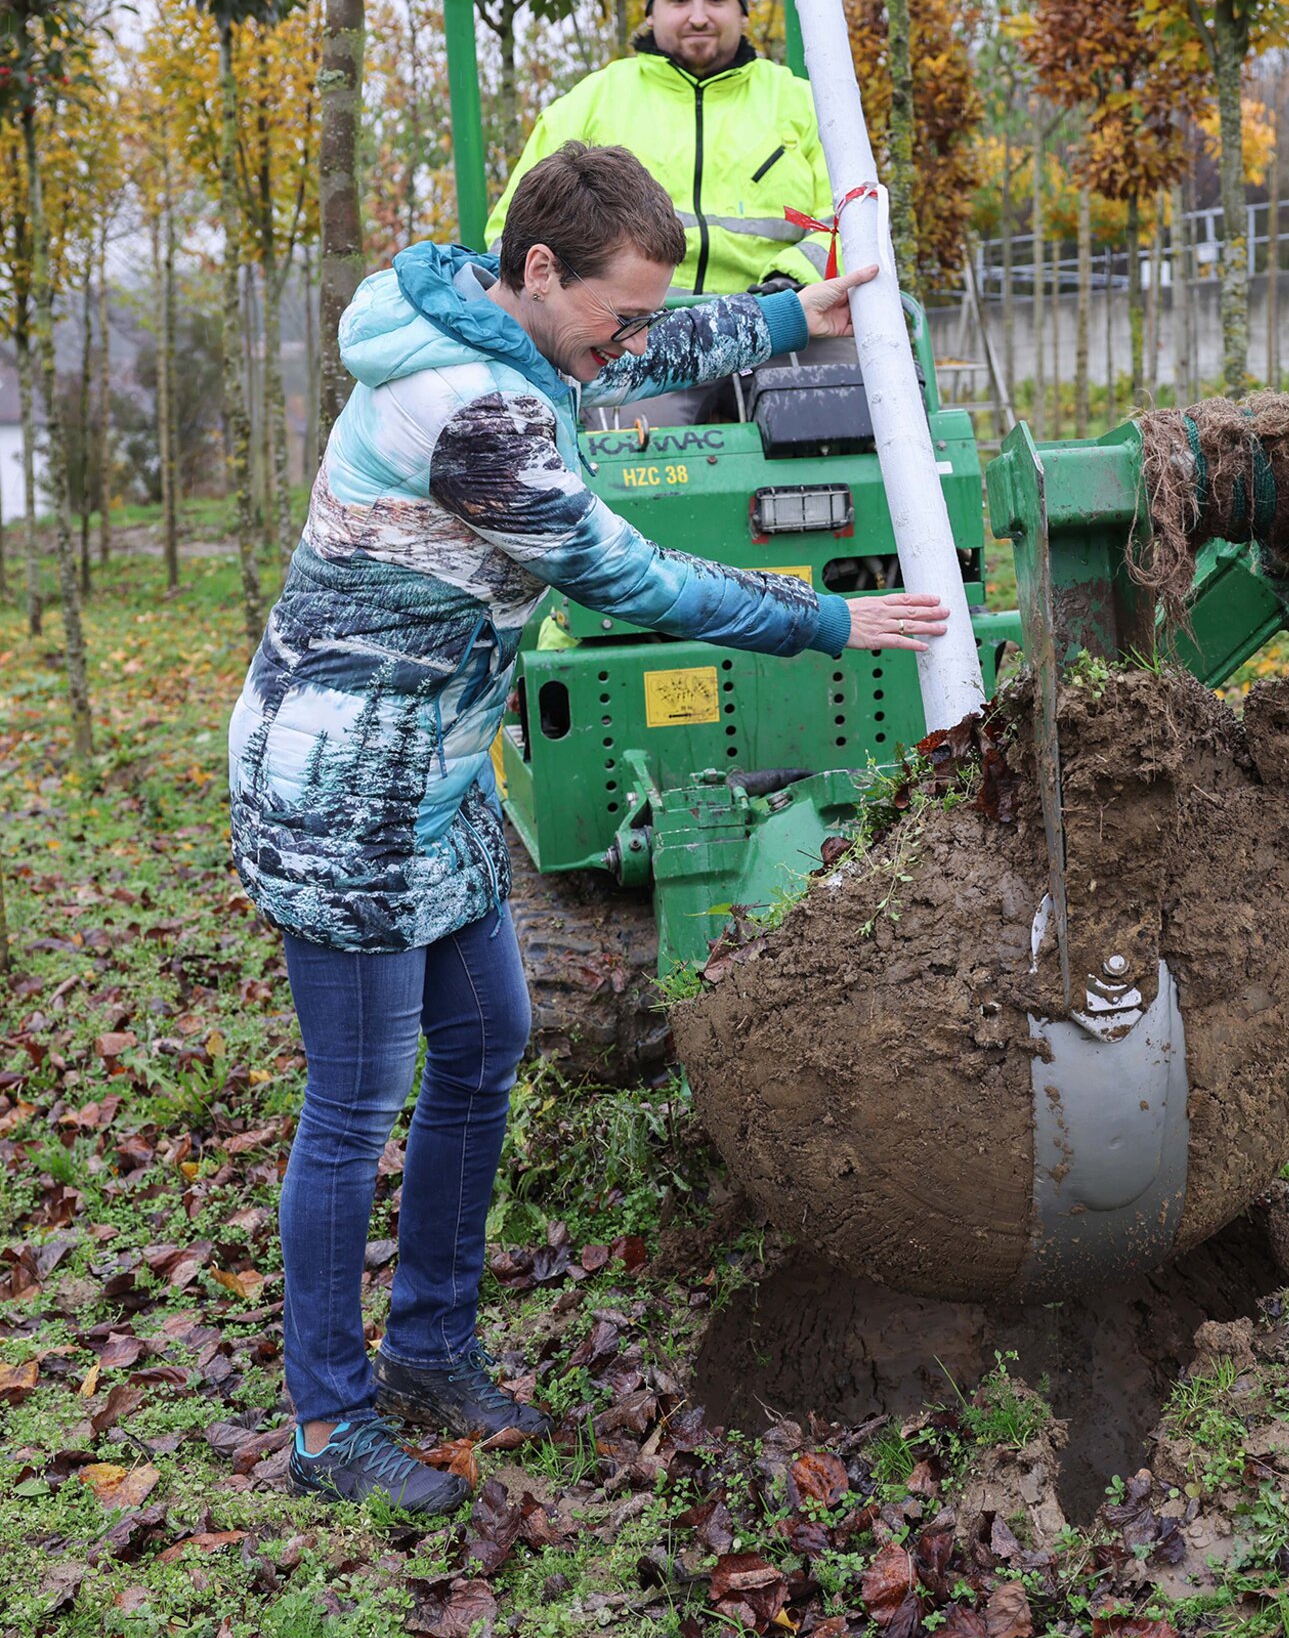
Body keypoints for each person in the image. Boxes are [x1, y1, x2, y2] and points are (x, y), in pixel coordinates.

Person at [228, 140, 947, 1515]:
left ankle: (434, 1353)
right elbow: (625, 575)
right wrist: (830, 617)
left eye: (635, 313)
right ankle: (329, 1425)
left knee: (489, 1038)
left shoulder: (494, 316)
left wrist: (798, 315)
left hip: (431, 775)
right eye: (611, 312)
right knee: (352, 1109)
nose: (624, 343)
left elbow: (643, 330)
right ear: (539, 273)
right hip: (344, 794)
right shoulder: (470, 410)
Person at [486, 0, 843, 428]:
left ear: (742, 11)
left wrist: (788, 285)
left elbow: (849, 218)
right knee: (629, 456)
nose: (698, 16)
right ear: (651, 11)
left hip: (785, 313)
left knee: (860, 411)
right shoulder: (596, 100)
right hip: (641, 333)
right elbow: (513, 232)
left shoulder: (800, 104)